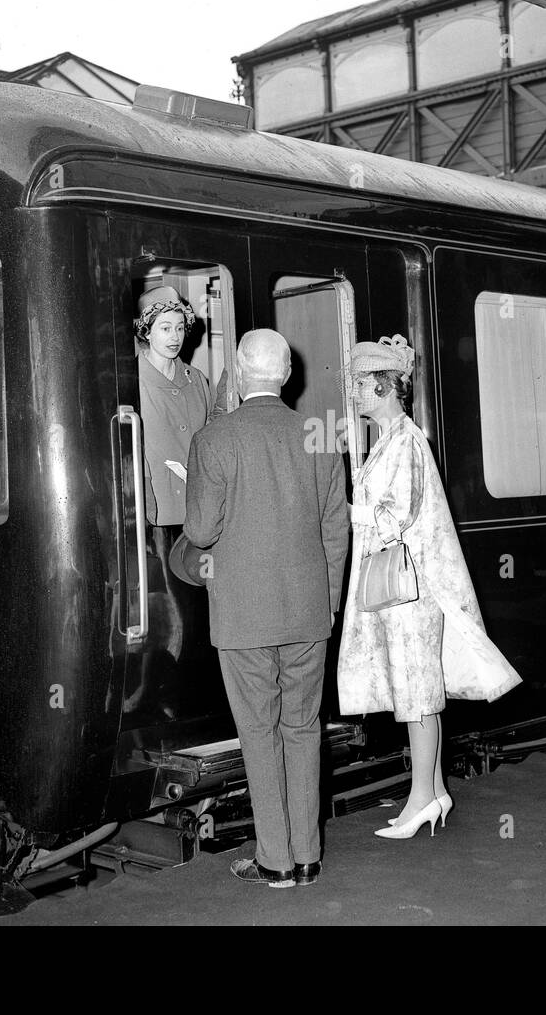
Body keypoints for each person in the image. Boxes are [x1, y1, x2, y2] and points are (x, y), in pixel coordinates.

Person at [338, 335, 521, 839]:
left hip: (408, 594)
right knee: (417, 692)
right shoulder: (394, 440)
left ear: (381, 387)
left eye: (358, 385)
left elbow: (396, 517)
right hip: (406, 590)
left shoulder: (405, 442)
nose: (353, 394)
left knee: (417, 696)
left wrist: (345, 512)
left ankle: (421, 798)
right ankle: (433, 790)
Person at [183, 329, 349, 888]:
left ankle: (274, 859)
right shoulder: (319, 436)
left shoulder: (214, 438)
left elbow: (201, 530)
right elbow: (335, 529)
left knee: (260, 733)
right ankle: (308, 856)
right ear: (285, 375)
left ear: (237, 370)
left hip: (244, 615)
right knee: (305, 728)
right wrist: (327, 603)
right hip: (307, 612)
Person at [134, 285, 211, 527]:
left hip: (200, 505)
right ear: (146, 332)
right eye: (165, 329)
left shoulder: (196, 378)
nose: (175, 337)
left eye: (179, 328)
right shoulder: (130, 381)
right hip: (157, 510)